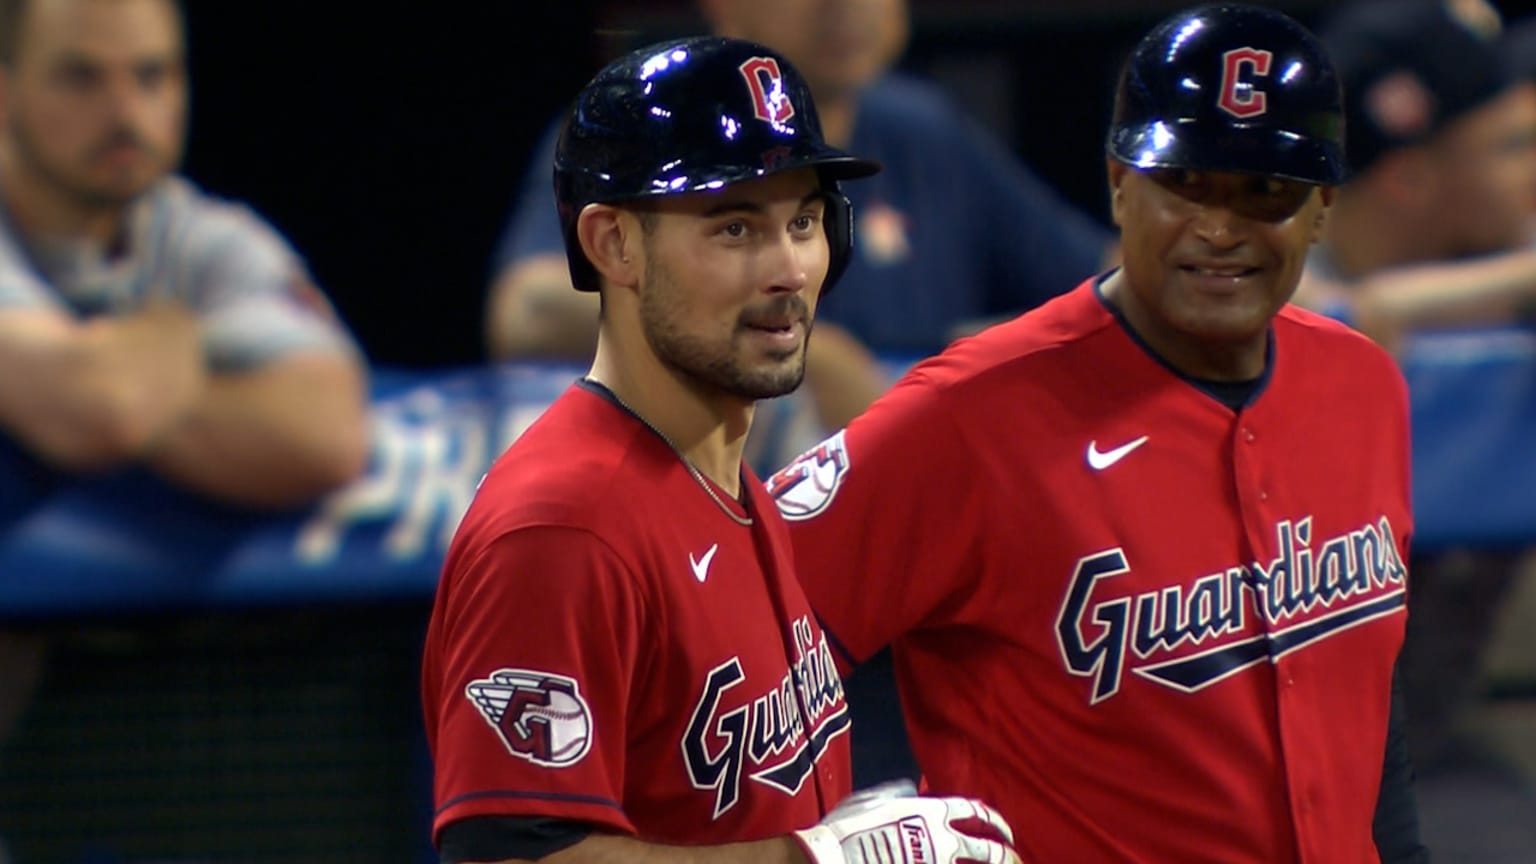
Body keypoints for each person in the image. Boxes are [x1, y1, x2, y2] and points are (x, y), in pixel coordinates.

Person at [771, 4, 1429, 861]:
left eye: (1265, 191)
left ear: (1321, 207)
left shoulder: (1362, 385)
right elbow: (726, 640)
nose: (1220, 228)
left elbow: (1365, 696)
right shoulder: (970, 419)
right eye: (1185, 184)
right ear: (1120, 181)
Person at [420, 36, 1018, 864]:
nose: (787, 269)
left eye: (803, 221)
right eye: (734, 226)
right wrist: (817, 859)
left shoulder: (730, 481)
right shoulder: (561, 529)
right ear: (612, 244)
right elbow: (517, 854)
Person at [0, 0, 369, 831]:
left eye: (152, 76)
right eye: (81, 77)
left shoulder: (201, 236)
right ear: (3, 93)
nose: (125, 110)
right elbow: (93, 408)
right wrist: (166, 347)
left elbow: (326, 431)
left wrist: (129, 380)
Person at [486, 0, 1115, 431]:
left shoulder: (922, 130)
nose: (843, 6)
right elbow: (529, 310)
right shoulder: (648, 125)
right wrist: (802, 350)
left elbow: (1099, 275)